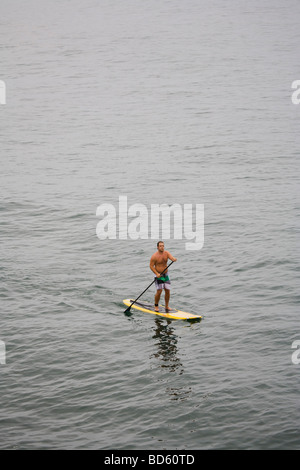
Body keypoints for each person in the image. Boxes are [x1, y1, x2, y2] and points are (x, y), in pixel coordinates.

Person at [150, 241, 177, 312]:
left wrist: (174, 259)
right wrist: (156, 274)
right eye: (160, 246)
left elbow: (171, 258)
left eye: (163, 246)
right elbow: (151, 266)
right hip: (159, 275)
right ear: (157, 247)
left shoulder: (166, 253)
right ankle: (156, 306)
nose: (162, 247)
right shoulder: (154, 256)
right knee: (159, 291)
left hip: (166, 274)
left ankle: (167, 306)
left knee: (167, 290)